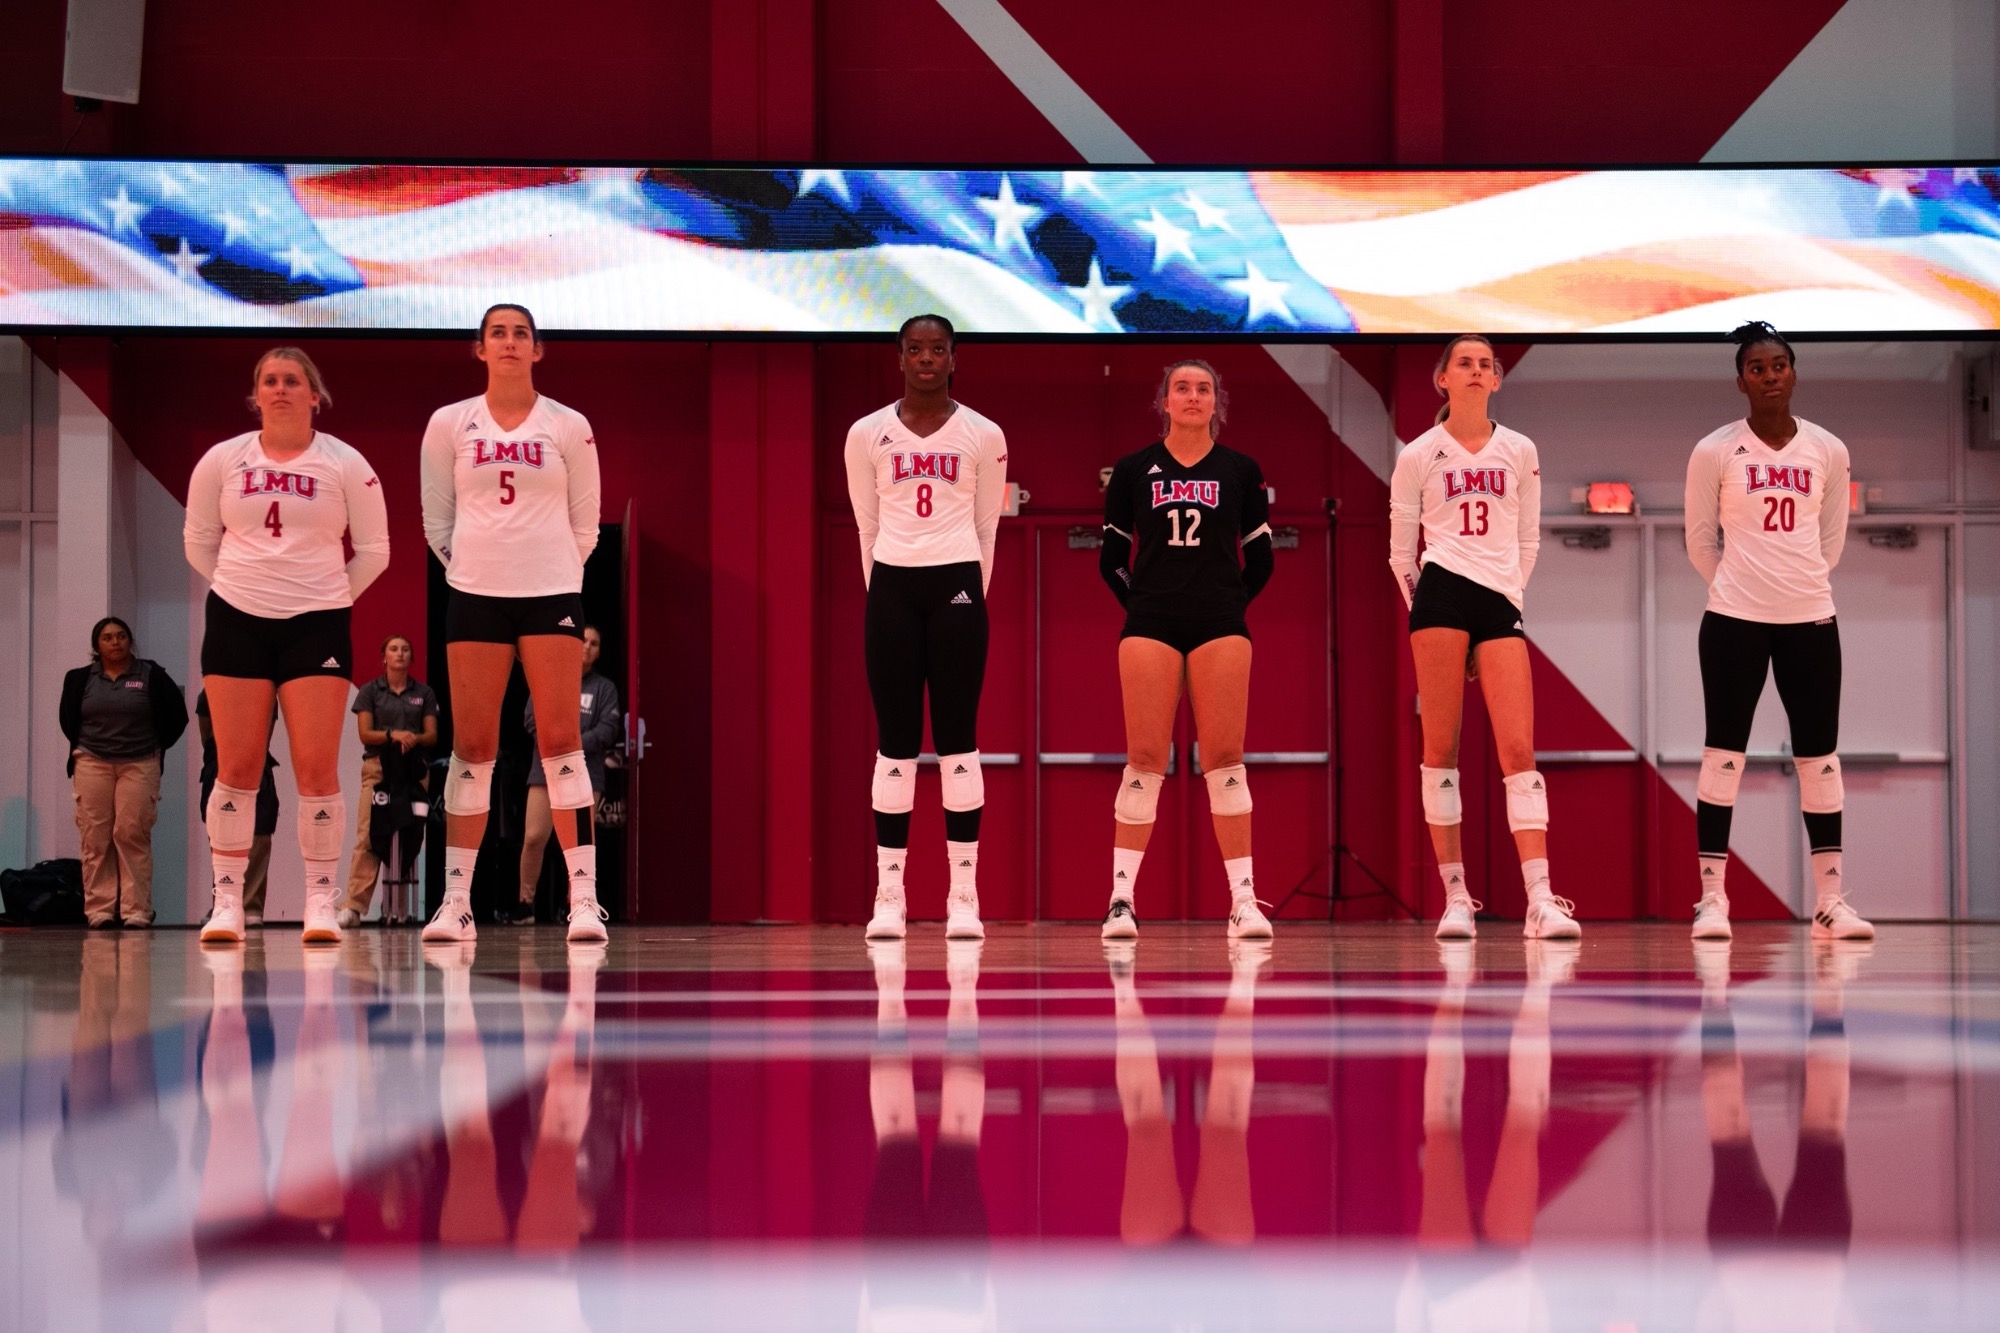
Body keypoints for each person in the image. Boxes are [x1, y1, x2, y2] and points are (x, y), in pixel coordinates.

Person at [184, 347, 390, 945]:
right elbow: (200, 542)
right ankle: (227, 903)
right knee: (237, 767)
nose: (279, 389)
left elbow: (375, 551)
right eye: (269, 381)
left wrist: (325, 597)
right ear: (256, 396)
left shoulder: (345, 462)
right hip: (236, 621)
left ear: (314, 396)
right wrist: (242, 588)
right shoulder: (222, 460)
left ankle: (320, 903)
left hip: (316, 625)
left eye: (291, 380)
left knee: (317, 769)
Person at [420, 303, 604, 944]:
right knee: (473, 748)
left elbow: (586, 525)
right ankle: (457, 902)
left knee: (561, 743)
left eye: (519, 333)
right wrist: (478, 570)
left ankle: (584, 900)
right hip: (475, 595)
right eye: (497, 333)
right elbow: (436, 524)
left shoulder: (569, 424)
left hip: (550, 591)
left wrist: (544, 569)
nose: (508, 342)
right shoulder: (449, 423)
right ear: (479, 349)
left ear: (537, 350)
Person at [1685, 322, 1872, 942]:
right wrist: (1742, 587)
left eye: (1779, 364)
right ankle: (1713, 899)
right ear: (1741, 381)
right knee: (1724, 755)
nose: (1770, 375)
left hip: (1811, 620)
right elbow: (1699, 541)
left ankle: (1829, 900)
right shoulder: (1715, 449)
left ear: (1795, 373)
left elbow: (1831, 541)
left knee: (1819, 757)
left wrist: (1793, 588)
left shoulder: (1829, 449)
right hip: (1734, 620)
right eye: (1757, 367)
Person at [1388, 334, 1579, 942]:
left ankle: (1541, 899)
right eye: (1463, 363)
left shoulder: (1519, 449)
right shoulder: (1418, 454)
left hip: (1500, 601)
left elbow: (1528, 539)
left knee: (1517, 748)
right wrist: (1426, 614)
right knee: (1440, 748)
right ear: (1442, 379)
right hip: (1439, 594)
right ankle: (1455, 896)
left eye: (1485, 364)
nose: (1475, 370)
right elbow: (1400, 554)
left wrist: (1508, 597)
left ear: (1497, 380)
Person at [1097, 360, 1275, 941]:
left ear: (1217, 402)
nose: (1193, 396)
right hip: (1150, 624)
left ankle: (1243, 902)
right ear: (1165, 402)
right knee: (1145, 761)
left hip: (1221, 626)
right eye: (1182, 388)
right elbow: (1111, 560)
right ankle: (1121, 900)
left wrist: (1227, 604)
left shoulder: (1241, 470)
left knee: (1224, 761)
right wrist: (1144, 602)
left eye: (1204, 388)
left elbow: (1263, 560)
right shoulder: (1132, 470)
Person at [846, 314, 1007, 942]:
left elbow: (988, 525)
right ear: (900, 357)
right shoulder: (866, 433)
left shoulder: (983, 433)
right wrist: (883, 589)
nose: (926, 359)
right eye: (915, 349)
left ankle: (962, 893)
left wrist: (969, 588)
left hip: (959, 584)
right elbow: (865, 522)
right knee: (896, 742)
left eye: (937, 349)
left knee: (959, 737)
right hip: (891, 586)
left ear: (953, 357)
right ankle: (891, 894)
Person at [58, 617, 189, 928]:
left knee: (131, 834)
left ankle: (136, 911)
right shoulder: (79, 679)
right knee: (96, 837)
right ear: (97, 645)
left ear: (130, 641)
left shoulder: (151, 675)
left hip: (139, 763)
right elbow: (68, 719)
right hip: (92, 762)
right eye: (107, 638)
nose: (115, 642)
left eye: (120, 636)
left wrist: (155, 746)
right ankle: (100, 910)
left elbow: (177, 717)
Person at [512, 625, 621, 924]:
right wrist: (558, 746)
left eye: (594, 643)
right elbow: (531, 719)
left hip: (585, 773)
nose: (587, 646)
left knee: (578, 843)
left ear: (599, 651)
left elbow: (608, 730)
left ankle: (575, 905)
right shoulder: (548, 676)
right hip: (544, 768)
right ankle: (525, 904)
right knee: (534, 836)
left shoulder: (604, 689)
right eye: (582, 640)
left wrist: (572, 746)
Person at [341, 634, 439, 927]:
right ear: (384, 657)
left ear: (411, 657)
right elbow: (365, 734)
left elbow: (431, 736)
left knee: (409, 833)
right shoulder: (371, 691)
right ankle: (354, 907)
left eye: (405, 650)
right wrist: (392, 735)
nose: (400, 654)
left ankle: (398, 904)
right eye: (394, 649)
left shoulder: (424, 693)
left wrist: (412, 739)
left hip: (414, 769)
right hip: (378, 768)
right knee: (369, 834)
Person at [195, 689, 280, 926]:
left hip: (257, 765)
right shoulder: (209, 692)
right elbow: (208, 741)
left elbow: (265, 736)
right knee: (222, 839)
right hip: (221, 767)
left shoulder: (266, 692)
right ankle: (223, 904)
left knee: (259, 836)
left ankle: (251, 906)